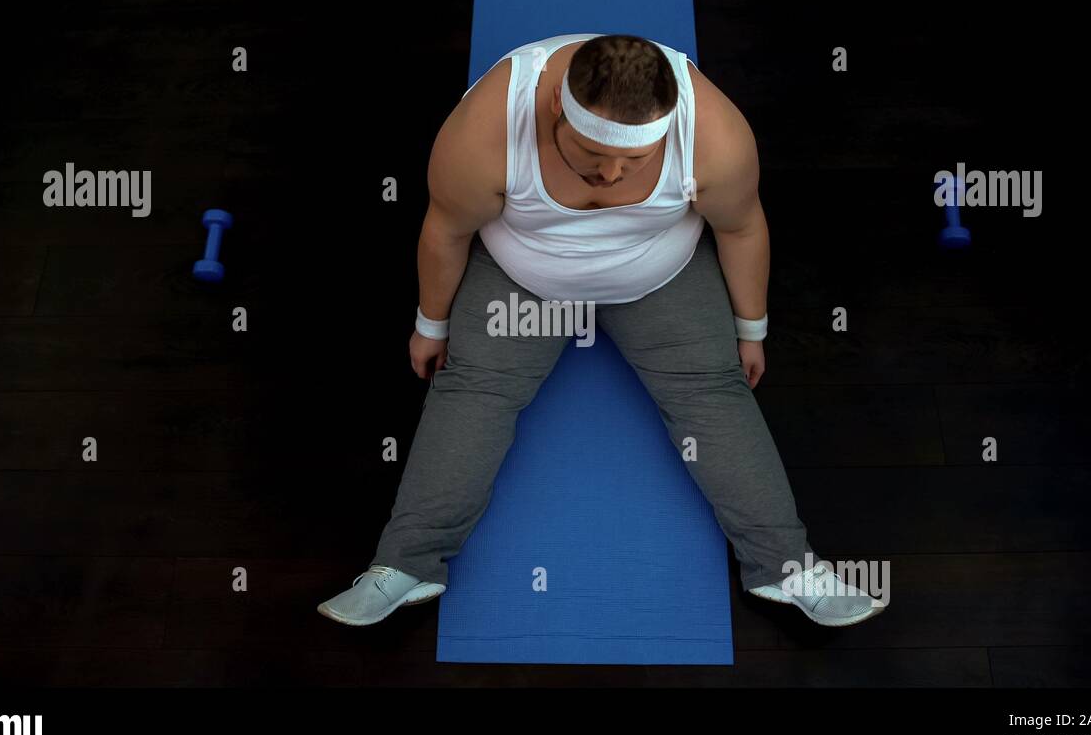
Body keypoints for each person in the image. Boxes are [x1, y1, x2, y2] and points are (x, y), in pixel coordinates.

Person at [319, 33, 885, 628]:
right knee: (471, 394)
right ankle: (404, 566)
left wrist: (752, 329)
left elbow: (742, 229)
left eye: (635, 161)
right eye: (592, 156)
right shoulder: (485, 131)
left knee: (715, 395)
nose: (611, 175)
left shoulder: (715, 135)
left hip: (657, 274)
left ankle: (786, 570)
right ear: (557, 108)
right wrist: (429, 325)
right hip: (524, 276)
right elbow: (446, 231)